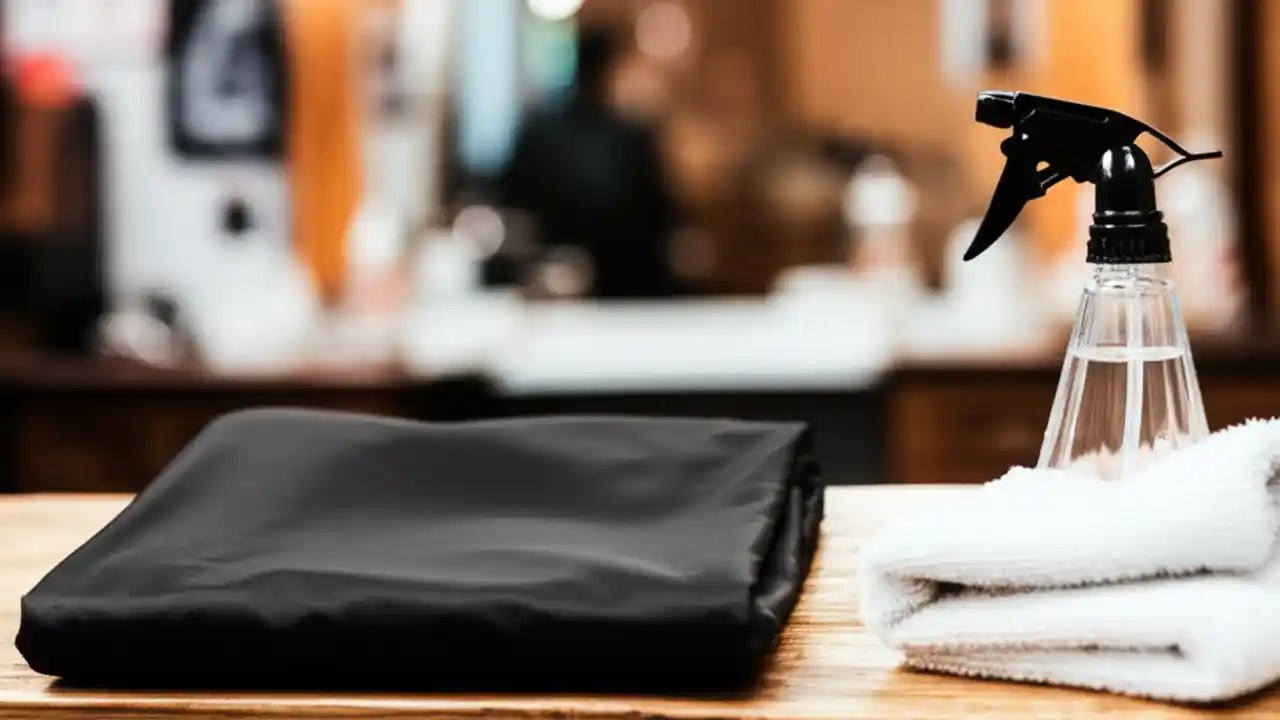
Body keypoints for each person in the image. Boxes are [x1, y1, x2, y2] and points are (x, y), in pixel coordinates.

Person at [501, 30, 679, 298]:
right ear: (608, 70)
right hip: (627, 282)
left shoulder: (539, 129)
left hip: (560, 274)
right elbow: (661, 210)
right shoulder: (628, 135)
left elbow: (511, 200)